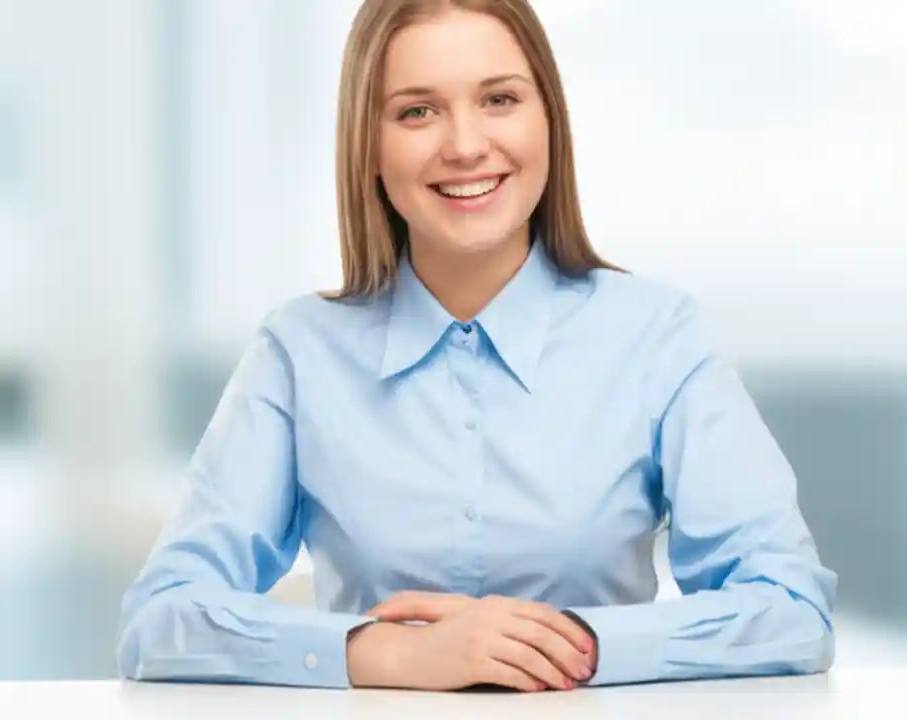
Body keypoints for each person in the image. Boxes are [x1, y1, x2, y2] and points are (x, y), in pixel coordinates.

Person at [116, 0, 835, 692]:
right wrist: (392, 655)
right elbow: (162, 619)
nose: (464, 145)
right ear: (368, 145)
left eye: (499, 99)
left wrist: (559, 646)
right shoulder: (299, 353)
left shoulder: (657, 337)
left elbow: (791, 611)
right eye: (417, 111)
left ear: (548, 120)